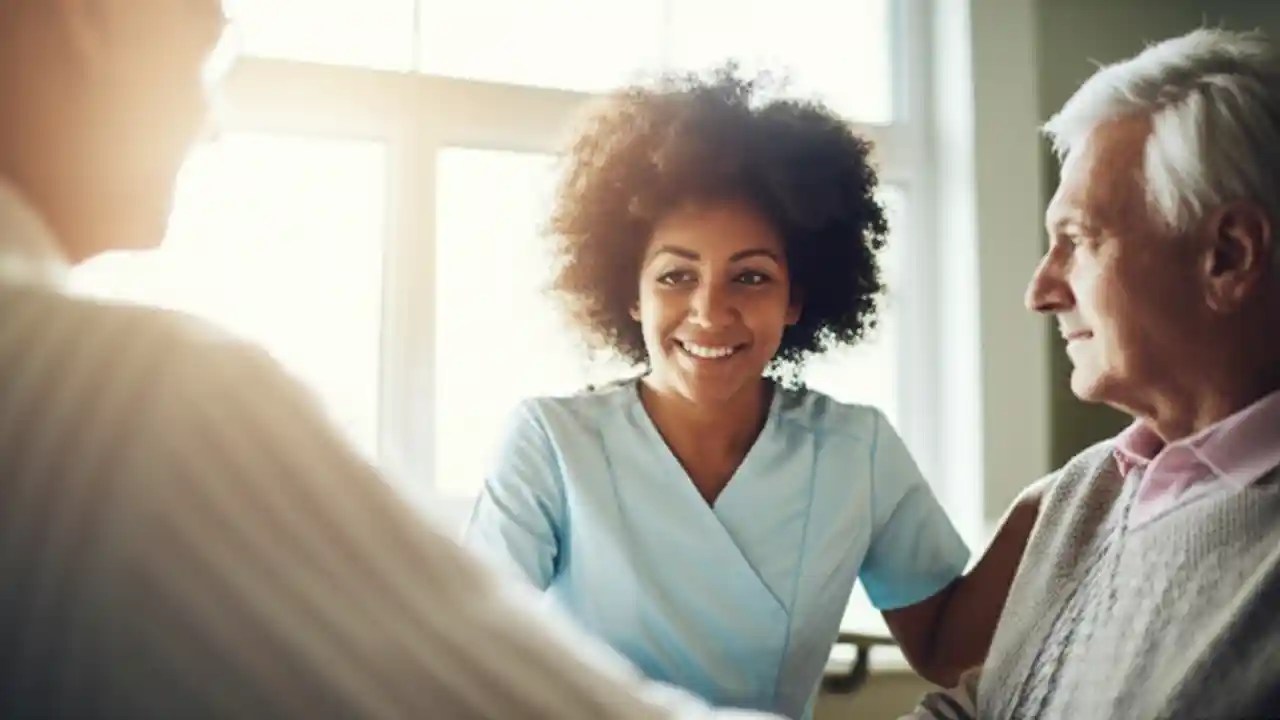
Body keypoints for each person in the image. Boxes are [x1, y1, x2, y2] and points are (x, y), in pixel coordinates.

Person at [0, 2, 781, 718]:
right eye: (208, 49)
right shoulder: (132, 406)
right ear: (88, 21)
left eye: (751, 275)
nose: (211, 124)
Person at [464, 69, 1041, 720]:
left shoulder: (856, 451)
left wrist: (1050, 500)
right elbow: (470, 648)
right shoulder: (552, 442)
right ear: (630, 292)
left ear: (798, 297)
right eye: (677, 275)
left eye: (751, 277)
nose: (710, 311)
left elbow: (943, 649)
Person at [905, 28, 1280, 720]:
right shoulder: (1085, 491)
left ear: (1229, 255)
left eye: (1076, 242)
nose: (1040, 291)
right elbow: (984, 708)